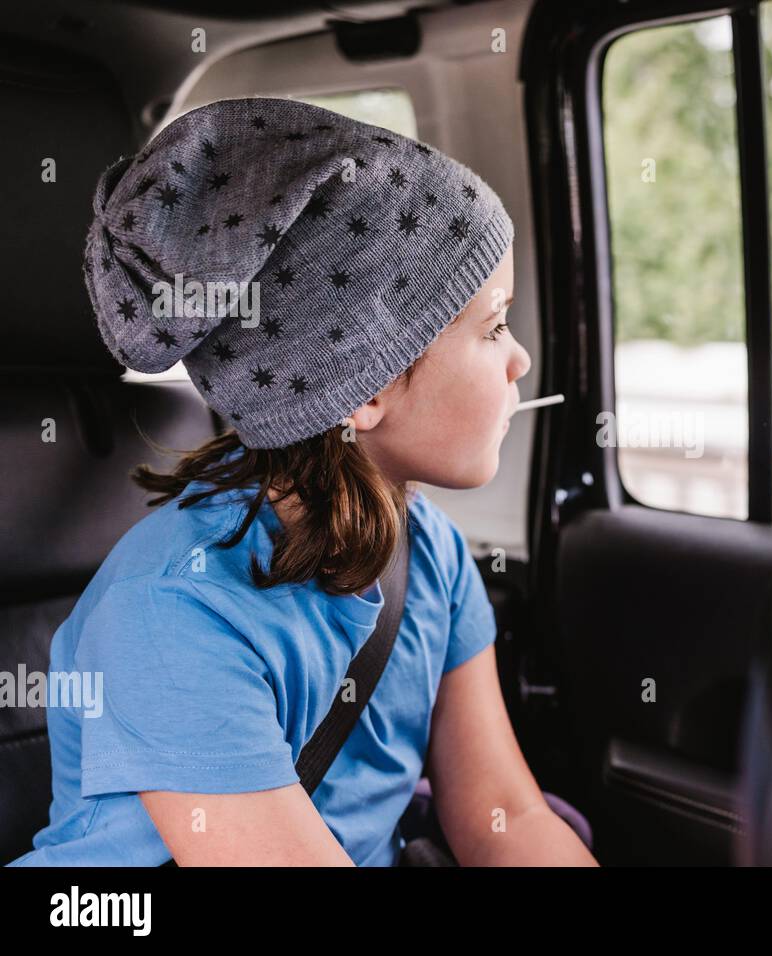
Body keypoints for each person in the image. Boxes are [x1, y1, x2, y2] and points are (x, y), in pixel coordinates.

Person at [6, 96, 597, 867]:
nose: (519, 361)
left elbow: (506, 815)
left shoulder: (433, 554)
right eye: (493, 328)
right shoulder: (174, 613)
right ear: (366, 387)